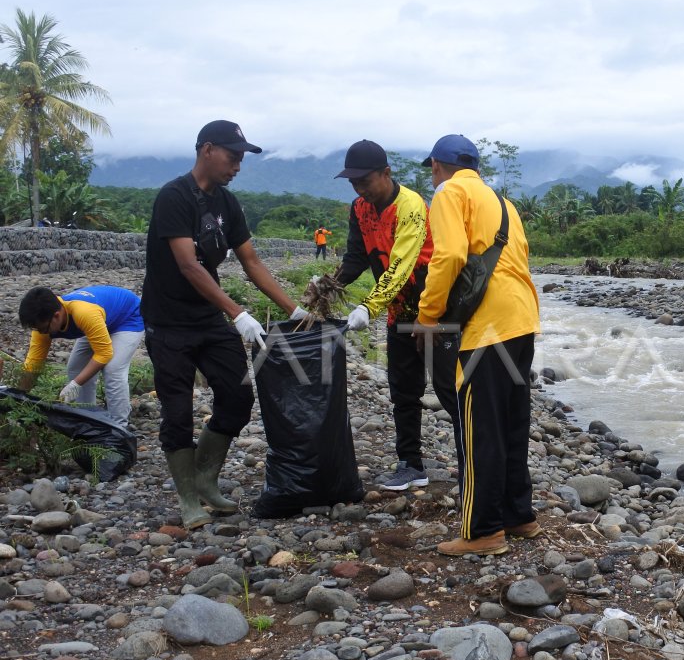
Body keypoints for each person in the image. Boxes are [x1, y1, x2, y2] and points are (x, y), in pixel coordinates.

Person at [141, 119, 306, 530]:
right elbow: (189, 265)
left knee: (237, 398)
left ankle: (206, 480)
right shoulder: (173, 198)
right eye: (233, 156)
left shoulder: (226, 204)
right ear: (207, 149)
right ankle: (186, 498)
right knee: (177, 411)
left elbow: (251, 262)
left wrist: (293, 310)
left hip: (207, 318)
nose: (237, 165)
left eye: (241, 158)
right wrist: (239, 314)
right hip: (168, 323)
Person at [414, 135, 541, 557]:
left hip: (487, 325)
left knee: (478, 428)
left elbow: (448, 256)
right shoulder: (503, 203)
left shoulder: (450, 191)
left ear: (437, 165)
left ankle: (483, 531)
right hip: (522, 317)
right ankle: (519, 516)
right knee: (510, 421)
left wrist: (428, 316)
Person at [332, 139, 456, 491]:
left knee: (450, 389)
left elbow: (401, 265)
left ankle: (473, 462)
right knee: (403, 390)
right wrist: (329, 286)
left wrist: (366, 307)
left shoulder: (411, 205)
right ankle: (410, 464)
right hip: (399, 310)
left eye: (365, 181)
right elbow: (356, 258)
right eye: (354, 183)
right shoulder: (359, 208)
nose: (360, 189)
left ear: (386, 173)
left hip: (434, 309)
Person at [17, 285, 145, 429]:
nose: (41, 333)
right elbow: (33, 365)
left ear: (57, 315)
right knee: (76, 369)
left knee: (113, 370)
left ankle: (119, 426)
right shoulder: (42, 327)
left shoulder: (83, 313)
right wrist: (18, 398)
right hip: (99, 321)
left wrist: (75, 384)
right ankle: (87, 418)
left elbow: (104, 353)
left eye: (43, 328)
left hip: (127, 317)